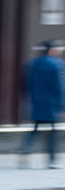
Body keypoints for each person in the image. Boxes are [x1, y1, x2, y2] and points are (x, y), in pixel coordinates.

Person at [19, 40, 63, 169]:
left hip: (36, 102)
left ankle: (25, 149)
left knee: (36, 128)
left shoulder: (32, 64)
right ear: (51, 50)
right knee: (53, 133)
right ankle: (52, 160)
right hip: (52, 104)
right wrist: (61, 106)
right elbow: (59, 87)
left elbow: (25, 84)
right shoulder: (57, 65)